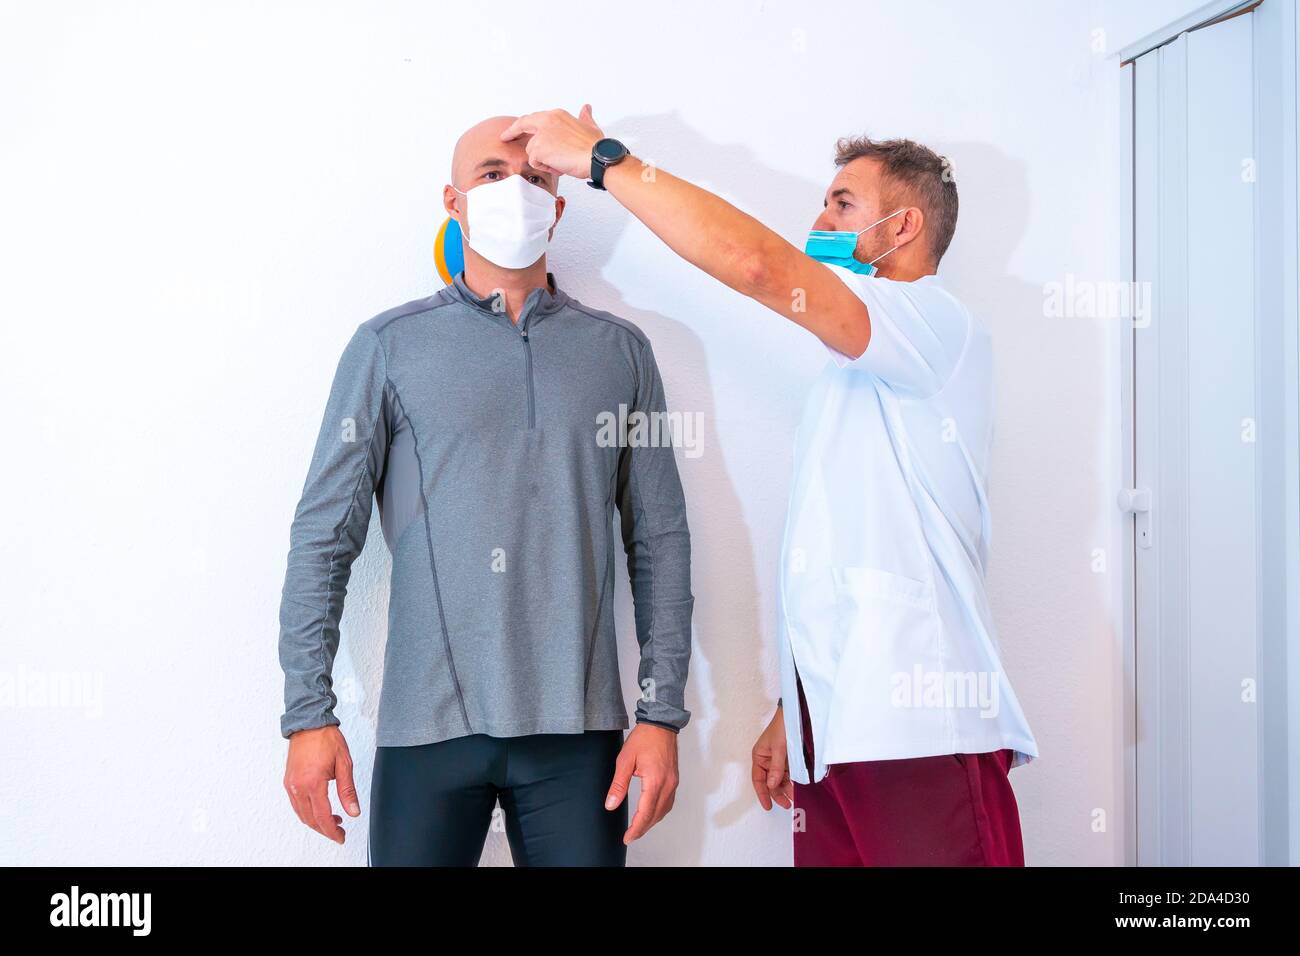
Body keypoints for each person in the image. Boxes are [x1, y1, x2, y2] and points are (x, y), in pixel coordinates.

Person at [504, 106, 1039, 866]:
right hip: (842, 735)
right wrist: (799, 705)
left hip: (924, 729)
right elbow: (853, 550)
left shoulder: (933, 325)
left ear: (903, 227)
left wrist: (604, 160)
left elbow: (757, 266)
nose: (819, 218)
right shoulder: (856, 372)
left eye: (842, 204)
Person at [276, 115, 694, 867]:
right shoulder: (387, 348)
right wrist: (309, 715)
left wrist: (660, 716)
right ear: (453, 200)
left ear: (560, 208)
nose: (516, 192)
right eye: (493, 175)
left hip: (579, 735)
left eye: (536, 179)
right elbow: (323, 537)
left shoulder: (621, 354)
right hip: (426, 730)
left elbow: (659, 540)